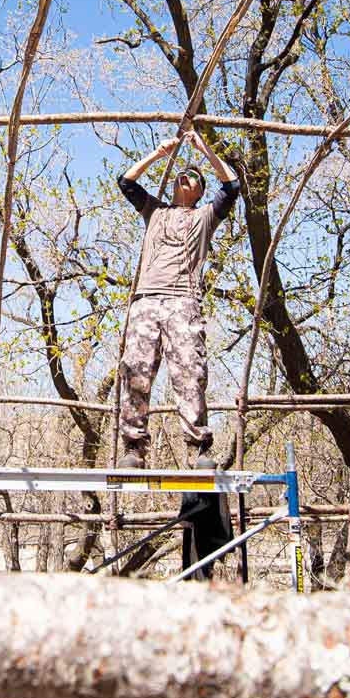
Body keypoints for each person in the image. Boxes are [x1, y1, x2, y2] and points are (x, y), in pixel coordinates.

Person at [116, 130, 239, 470]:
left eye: (192, 180)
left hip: (182, 301)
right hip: (146, 301)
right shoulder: (154, 211)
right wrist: (157, 154)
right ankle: (133, 447)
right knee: (135, 372)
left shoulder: (204, 218)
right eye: (180, 178)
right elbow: (125, 182)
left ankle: (198, 448)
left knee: (190, 373)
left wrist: (205, 150)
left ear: (199, 191)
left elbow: (232, 187)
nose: (184, 182)